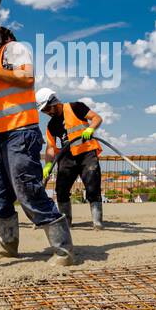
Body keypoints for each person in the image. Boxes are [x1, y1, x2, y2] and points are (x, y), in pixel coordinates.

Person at [0, 25, 78, 266]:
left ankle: (63, 251)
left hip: (21, 132)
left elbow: (27, 78)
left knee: (28, 191)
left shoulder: (12, 49)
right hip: (0, 137)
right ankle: (8, 246)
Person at [36, 88, 105, 229]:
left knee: (92, 186)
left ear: (54, 102)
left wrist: (90, 129)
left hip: (86, 153)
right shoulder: (51, 125)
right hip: (67, 157)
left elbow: (97, 118)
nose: (47, 113)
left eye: (47, 109)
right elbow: (50, 147)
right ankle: (66, 222)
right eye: (43, 111)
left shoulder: (76, 107)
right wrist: (48, 165)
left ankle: (97, 222)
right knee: (61, 189)